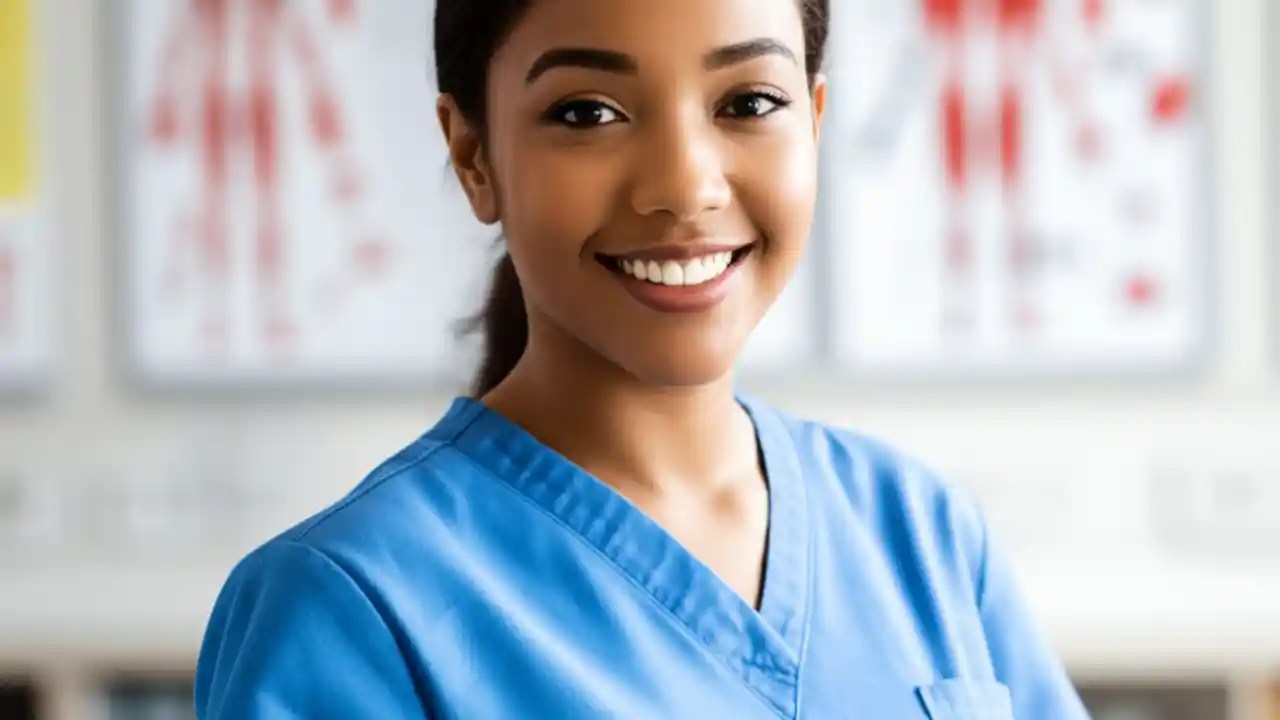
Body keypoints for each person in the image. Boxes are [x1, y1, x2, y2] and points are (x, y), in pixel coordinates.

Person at [194, 0, 1090, 717]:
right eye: (588, 113)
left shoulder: (925, 537)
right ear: (473, 156)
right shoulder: (350, 606)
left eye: (749, 103)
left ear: (813, 123)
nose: (685, 187)